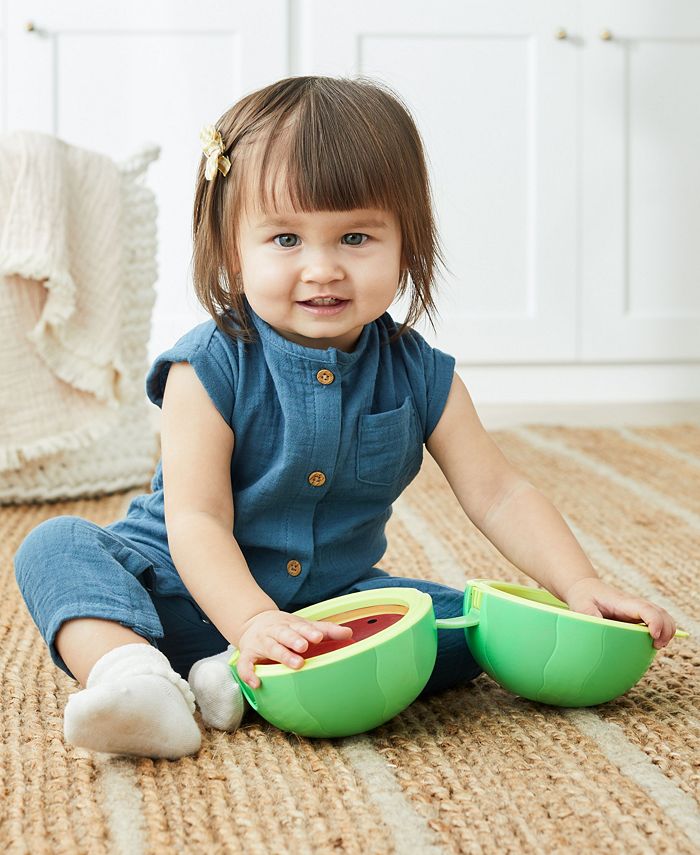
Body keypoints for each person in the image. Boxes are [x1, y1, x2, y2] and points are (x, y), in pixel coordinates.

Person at [14, 75, 677, 760]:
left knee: (464, 624)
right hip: (174, 594)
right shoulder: (205, 368)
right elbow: (196, 520)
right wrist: (250, 621)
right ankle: (134, 676)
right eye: (285, 239)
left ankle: (237, 682)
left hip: (329, 612)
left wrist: (579, 583)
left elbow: (501, 491)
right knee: (54, 547)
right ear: (230, 246)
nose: (322, 268)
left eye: (355, 236)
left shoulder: (423, 373)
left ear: (407, 241)